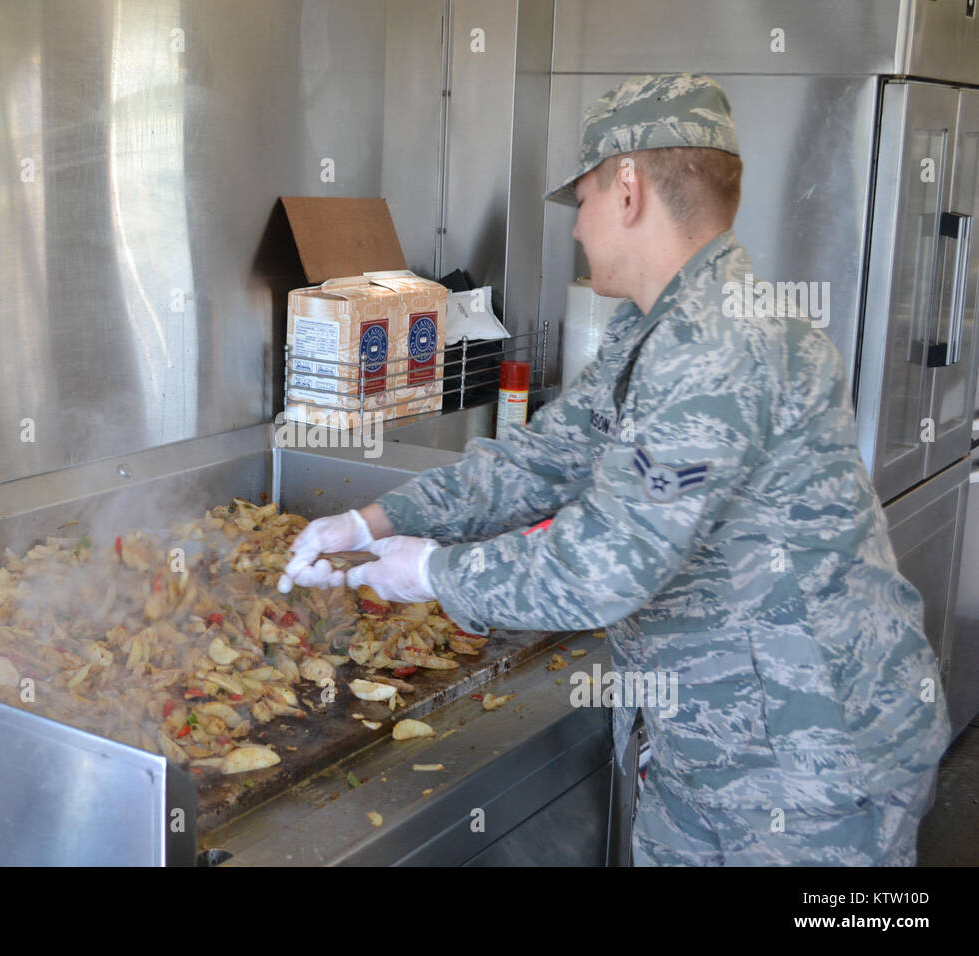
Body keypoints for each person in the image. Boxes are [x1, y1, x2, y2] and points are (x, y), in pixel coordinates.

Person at [277, 74, 951, 866]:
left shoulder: (718, 344)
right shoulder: (657, 329)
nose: (576, 230)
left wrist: (429, 572)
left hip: (807, 763)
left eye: (585, 200)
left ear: (627, 187)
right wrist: (380, 520)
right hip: (710, 745)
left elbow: (602, 567)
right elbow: (544, 458)